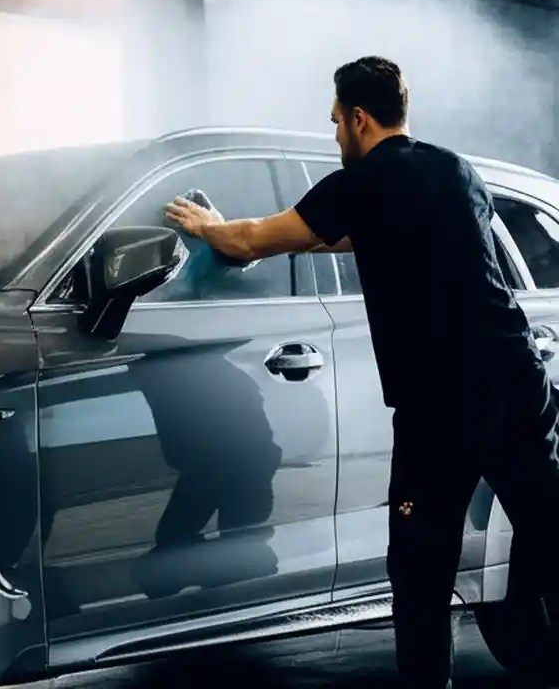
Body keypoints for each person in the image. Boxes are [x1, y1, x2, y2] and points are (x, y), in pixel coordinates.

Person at [164, 55, 559, 689]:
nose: (336, 136)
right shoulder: (455, 169)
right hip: (519, 382)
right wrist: (252, 238)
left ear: (358, 117)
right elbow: (348, 237)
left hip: (443, 407)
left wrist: (209, 226)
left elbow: (252, 242)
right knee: (552, 539)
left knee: (420, 571)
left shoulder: (363, 181)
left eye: (336, 124)